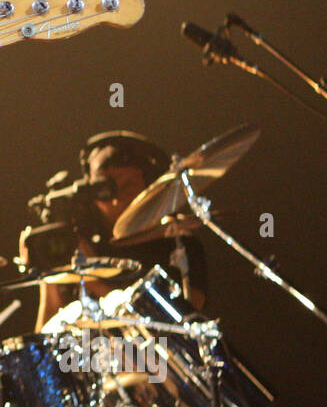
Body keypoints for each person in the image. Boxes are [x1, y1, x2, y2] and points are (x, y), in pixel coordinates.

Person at [32, 130, 207, 331]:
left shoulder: (178, 244)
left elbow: (179, 324)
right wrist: (47, 268)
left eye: (128, 186)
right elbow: (44, 336)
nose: (117, 199)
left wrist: (93, 281)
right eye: (105, 189)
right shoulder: (84, 245)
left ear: (150, 185)